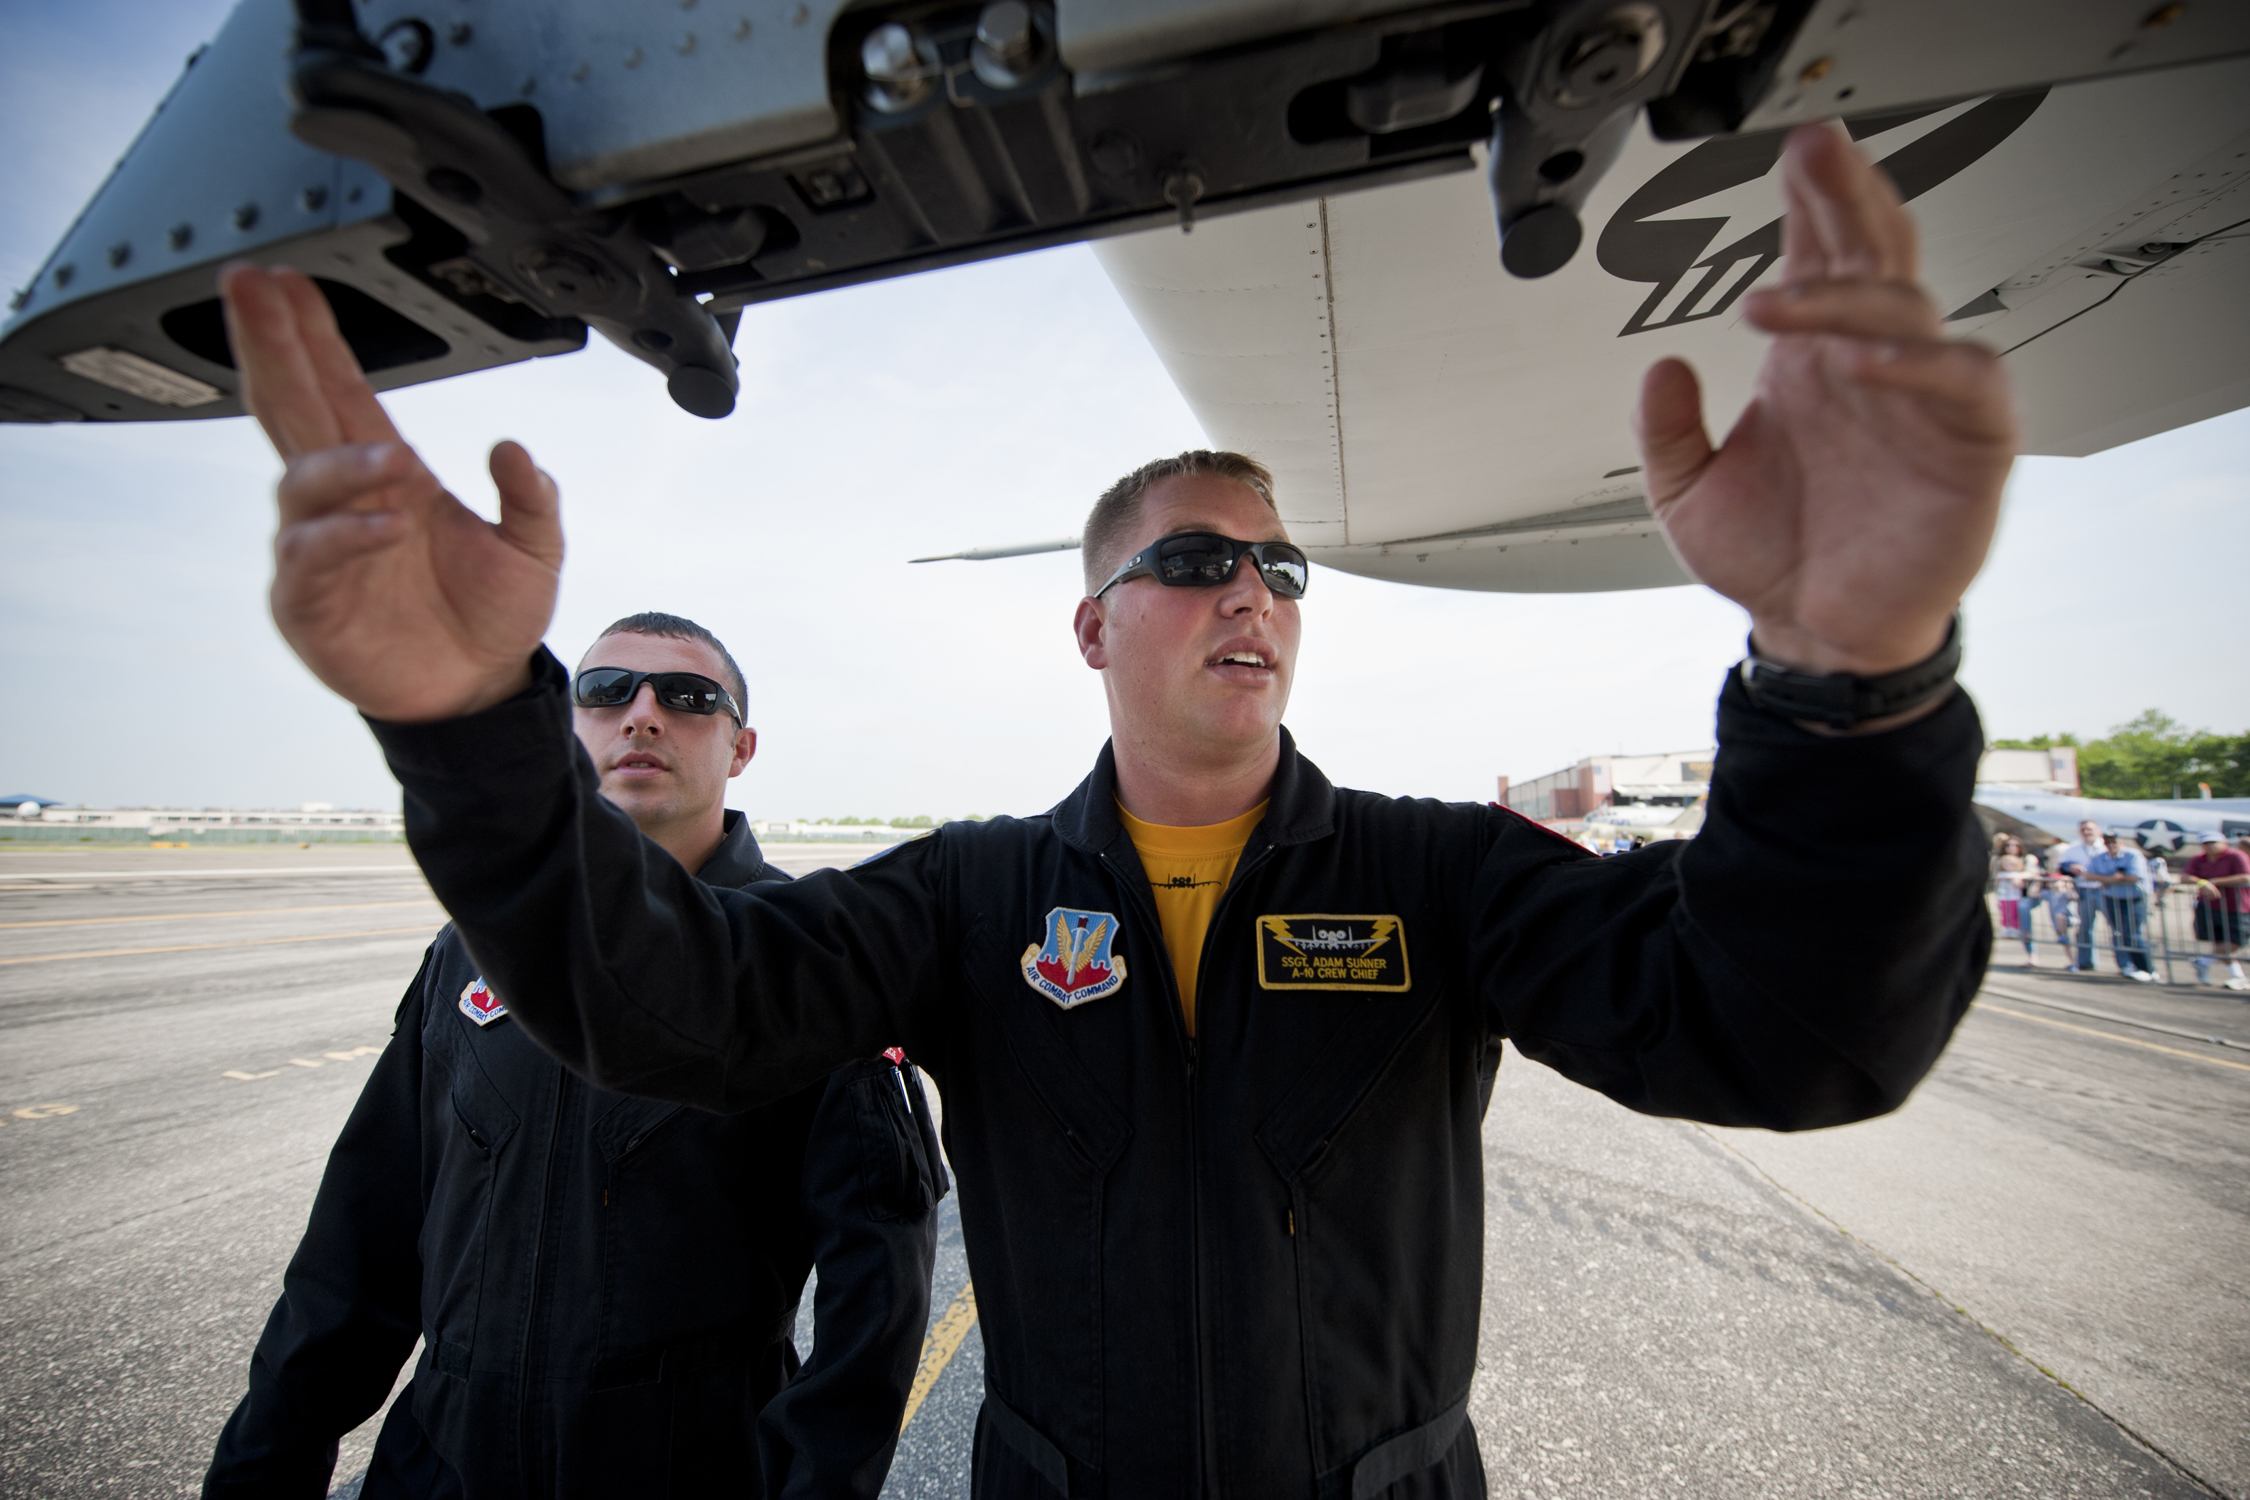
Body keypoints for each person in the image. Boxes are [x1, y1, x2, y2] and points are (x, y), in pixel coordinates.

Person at [215, 122, 2012, 1495]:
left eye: (1279, 566)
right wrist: (470, 726)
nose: (1251, 591)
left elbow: (1790, 1039)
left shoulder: (1441, 876)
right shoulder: (969, 899)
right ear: (1092, 626)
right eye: (1195, 559)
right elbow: (662, 1008)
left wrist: (1849, 686)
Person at [202, 613, 947, 1500]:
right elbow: (358, 1246)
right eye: (605, 691)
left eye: (689, 697)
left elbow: (877, 1299)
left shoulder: (806, 960)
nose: (643, 714)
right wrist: (260, 1468)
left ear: (741, 748)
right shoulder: (469, 955)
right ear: (568, 729)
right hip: (442, 1467)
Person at [2184, 831, 2250, 991]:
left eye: (2214, 842)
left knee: (2237, 941)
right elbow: (2185, 876)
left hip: (2238, 907)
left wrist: (2213, 882)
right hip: (2210, 906)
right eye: (2206, 843)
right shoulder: (2199, 859)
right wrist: (2202, 883)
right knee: (2220, 942)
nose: (2210, 846)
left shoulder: (2236, 856)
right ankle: (2238, 977)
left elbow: (2246, 877)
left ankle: (2203, 961)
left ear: (2224, 843)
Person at [2088, 832, 2156, 981]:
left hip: (2134, 899)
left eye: (2114, 841)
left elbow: (2135, 876)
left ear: (2122, 842)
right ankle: (2127, 966)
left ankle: (2147, 969)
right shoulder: (2100, 857)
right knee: (2118, 934)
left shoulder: (2133, 855)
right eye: (2108, 842)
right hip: (2112, 898)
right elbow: (2088, 875)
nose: (2111, 845)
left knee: (2133, 934)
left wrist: (2109, 879)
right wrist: (2111, 878)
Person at [2049, 818, 2109, 972]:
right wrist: (2071, 867)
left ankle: (2126, 963)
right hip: (2084, 890)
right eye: (2083, 829)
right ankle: (2086, 961)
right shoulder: (2073, 848)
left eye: (2090, 829)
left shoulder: (2106, 847)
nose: (2087, 832)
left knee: (2116, 927)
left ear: (2098, 831)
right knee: (2085, 928)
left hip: (2106, 890)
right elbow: (2062, 866)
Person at [1991, 834, 2036, 966]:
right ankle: (2031, 956)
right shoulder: (2001, 860)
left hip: (2025, 896)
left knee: (2025, 925)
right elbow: (1994, 875)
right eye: (2008, 845)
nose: (2011, 847)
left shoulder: (2028, 859)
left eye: (2015, 845)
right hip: (2007, 898)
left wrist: (2018, 875)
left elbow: (2033, 873)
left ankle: (2032, 956)